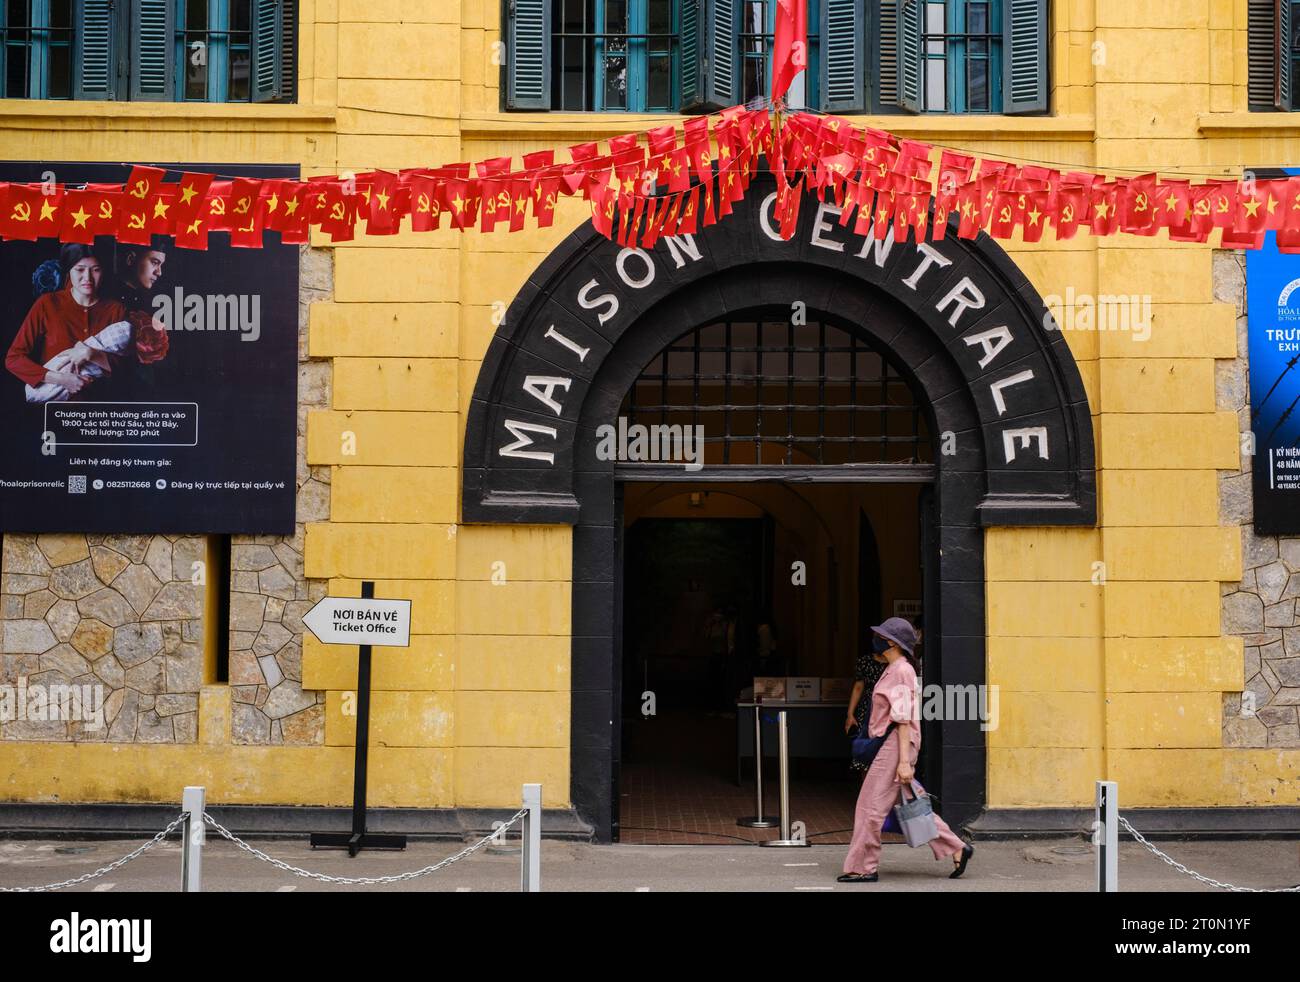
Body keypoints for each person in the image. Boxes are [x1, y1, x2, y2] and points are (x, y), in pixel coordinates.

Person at [839, 616, 973, 883]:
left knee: (870, 808)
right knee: (913, 803)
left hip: (893, 746)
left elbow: (901, 720)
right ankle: (957, 847)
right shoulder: (896, 668)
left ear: (890, 642)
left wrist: (903, 762)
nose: (876, 639)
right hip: (893, 746)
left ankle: (864, 867)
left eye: (881, 636)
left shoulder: (900, 670)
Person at [6, 245, 128, 400]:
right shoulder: (47, 304)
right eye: (80, 269)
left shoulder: (116, 310)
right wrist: (61, 380)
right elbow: (14, 359)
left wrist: (92, 354)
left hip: (101, 409)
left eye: (96, 269)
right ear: (69, 270)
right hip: (52, 411)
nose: (88, 277)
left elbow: (128, 370)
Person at [844, 630, 888, 775]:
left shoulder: (896, 665)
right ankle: (866, 790)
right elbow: (858, 687)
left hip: (888, 708)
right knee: (865, 751)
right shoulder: (865, 661)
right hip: (867, 708)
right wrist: (850, 714)